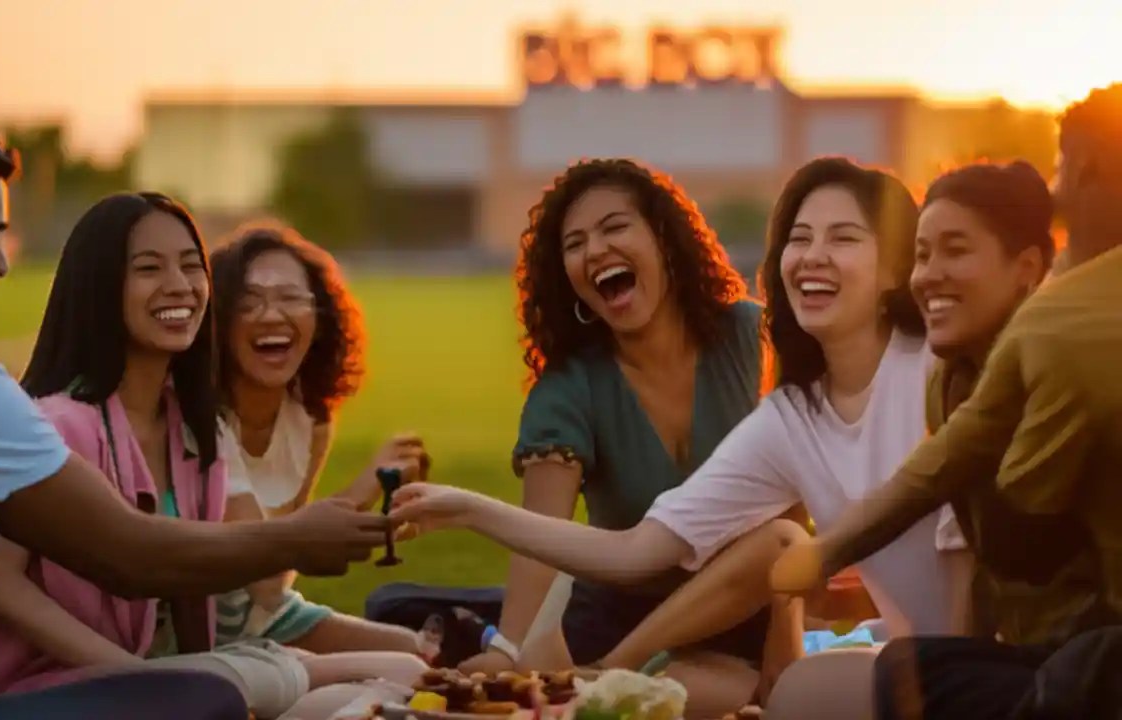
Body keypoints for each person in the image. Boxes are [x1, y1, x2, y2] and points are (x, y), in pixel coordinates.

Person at [0, 114, 387, 718]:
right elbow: (129, 554)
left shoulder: (194, 431)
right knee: (243, 687)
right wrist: (296, 540)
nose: (0, 264)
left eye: (191, 265)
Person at [393, 158, 975, 716]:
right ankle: (607, 677)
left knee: (794, 666)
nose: (813, 256)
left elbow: (966, 556)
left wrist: (807, 611)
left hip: (979, 657)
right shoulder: (790, 418)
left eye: (843, 238)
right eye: (800, 239)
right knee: (789, 693)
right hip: (637, 624)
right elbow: (635, 552)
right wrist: (469, 509)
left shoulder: (936, 372)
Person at [771, 83, 1122, 720]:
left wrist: (822, 553)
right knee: (893, 674)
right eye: (921, 255)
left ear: (1026, 268)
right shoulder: (952, 380)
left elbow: (1007, 525)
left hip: (1093, 652)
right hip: (1050, 652)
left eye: (955, 252)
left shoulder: (1061, 329)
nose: (928, 275)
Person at [419, 157, 786, 716]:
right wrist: (507, 648)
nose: (594, 251)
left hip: (740, 609)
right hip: (620, 624)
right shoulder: (568, 389)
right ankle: (604, 677)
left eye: (615, 227)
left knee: (779, 548)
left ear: (664, 240)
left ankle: (601, 685)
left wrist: (791, 621)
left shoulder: (746, 334)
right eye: (575, 244)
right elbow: (539, 537)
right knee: (691, 697)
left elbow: (794, 481)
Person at [209, 222, 430, 656]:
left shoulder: (310, 418)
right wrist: (362, 493)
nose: (272, 315)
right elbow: (263, 577)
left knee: (416, 652)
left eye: (291, 297)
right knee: (394, 670)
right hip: (204, 629)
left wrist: (391, 519)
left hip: (267, 617)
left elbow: (278, 584)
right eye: (248, 303)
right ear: (216, 322)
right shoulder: (203, 423)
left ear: (319, 317)